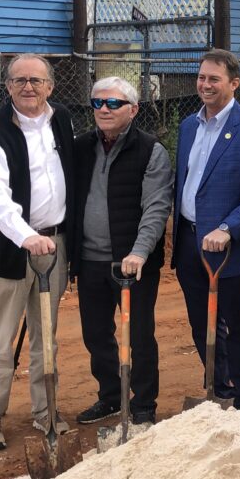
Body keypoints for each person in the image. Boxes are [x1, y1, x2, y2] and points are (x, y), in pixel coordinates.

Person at [0, 53, 76, 451]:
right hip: (9, 248)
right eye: (19, 80)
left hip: (55, 243)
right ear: (8, 86)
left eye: (36, 80)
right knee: (1, 335)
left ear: (50, 86)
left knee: (46, 334)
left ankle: (45, 412)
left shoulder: (62, 119)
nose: (28, 87)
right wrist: (25, 235)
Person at [174, 49, 240, 411]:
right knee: (201, 321)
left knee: (237, 322)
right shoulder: (189, 125)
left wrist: (228, 228)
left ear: (234, 83)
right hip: (189, 238)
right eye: (201, 77)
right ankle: (219, 388)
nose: (205, 84)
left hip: (229, 246)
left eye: (214, 79)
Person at [71, 77, 172, 427]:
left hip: (132, 265)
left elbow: (156, 207)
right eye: (97, 103)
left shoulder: (150, 150)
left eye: (113, 103)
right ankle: (111, 396)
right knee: (96, 333)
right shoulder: (80, 147)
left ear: (133, 109)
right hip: (89, 261)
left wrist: (140, 252)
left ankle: (144, 404)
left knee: (139, 335)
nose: (103, 109)